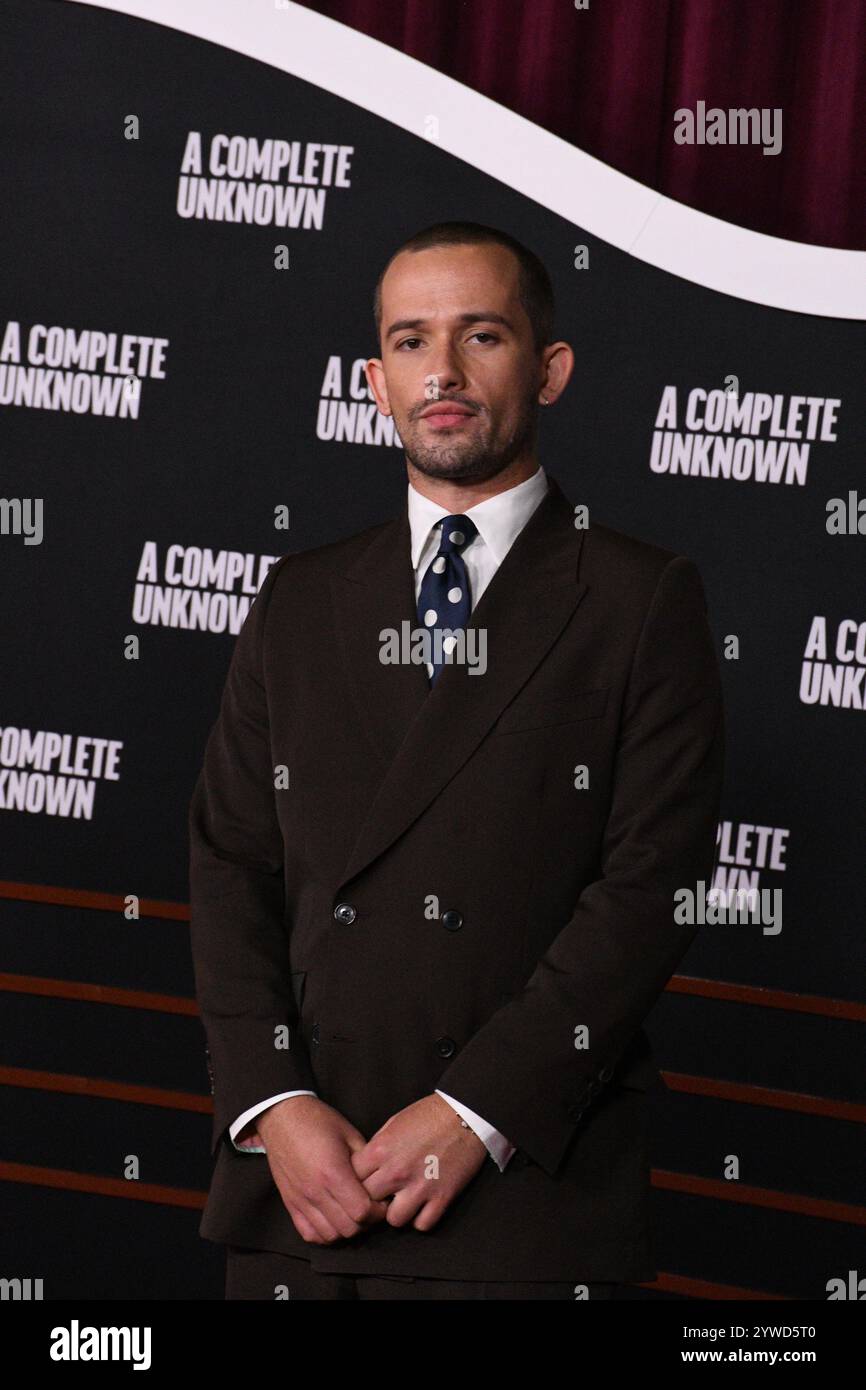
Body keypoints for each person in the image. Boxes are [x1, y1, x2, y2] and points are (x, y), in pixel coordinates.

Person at [188, 221, 725, 1300]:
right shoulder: (300, 596)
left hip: (522, 1200)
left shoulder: (637, 597)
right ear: (374, 381)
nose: (441, 372)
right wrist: (274, 1108)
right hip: (304, 1195)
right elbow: (229, 865)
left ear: (549, 368)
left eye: (480, 335)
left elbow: (646, 889)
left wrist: (476, 1111)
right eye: (408, 341)